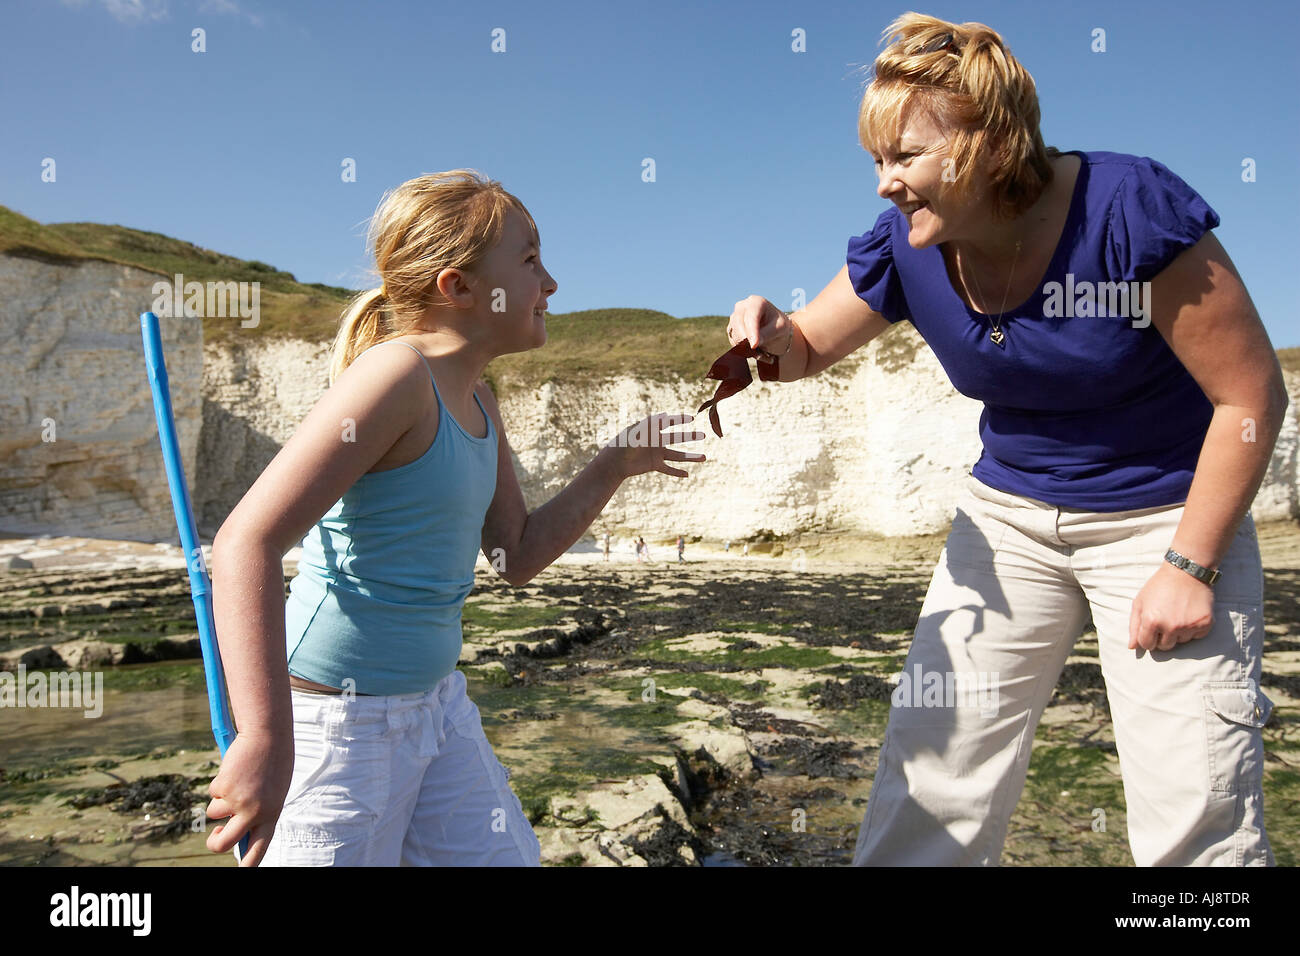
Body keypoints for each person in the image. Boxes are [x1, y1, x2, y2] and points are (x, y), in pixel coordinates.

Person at [725, 14, 1288, 866]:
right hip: (1007, 520)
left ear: (991, 142)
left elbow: (1249, 396)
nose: (885, 184)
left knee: (1193, 809)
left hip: (1162, 518)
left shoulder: (1128, 208)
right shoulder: (906, 247)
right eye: (876, 161)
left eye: (905, 157)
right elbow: (804, 347)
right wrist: (770, 334)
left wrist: (1189, 566)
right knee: (932, 775)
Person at [205, 170, 706, 866]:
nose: (552, 284)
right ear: (458, 287)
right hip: (332, 723)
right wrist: (264, 737)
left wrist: (614, 462)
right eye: (530, 261)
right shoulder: (394, 378)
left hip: (437, 706)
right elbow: (245, 543)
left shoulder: (480, 401)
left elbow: (516, 556)